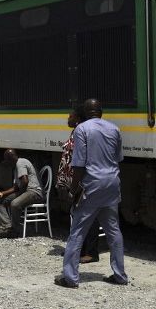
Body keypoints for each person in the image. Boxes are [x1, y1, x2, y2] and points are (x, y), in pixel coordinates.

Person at [55, 98, 128, 289]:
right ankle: (120, 275)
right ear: (101, 112)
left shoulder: (82, 129)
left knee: (77, 231)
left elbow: (79, 164)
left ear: (86, 113)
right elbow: (118, 158)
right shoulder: (114, 129)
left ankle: (70, 278)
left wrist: (73, 190)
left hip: (91, 185)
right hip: (112, 183)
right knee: (113, 231)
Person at [55, 106, 101, 264]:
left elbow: (79, 160)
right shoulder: (76, 131)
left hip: (82, 181)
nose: (68, 119)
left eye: (70, 116)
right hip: (75, 180)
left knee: (88, 216)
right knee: (77, 215)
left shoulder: (81, 132)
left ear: (77, 118)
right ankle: (79, 249)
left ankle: (91, 251)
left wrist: (75, 186)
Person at [0, 148, 44, 239]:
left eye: (7, 159)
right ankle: (8, 227)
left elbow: (25, 181)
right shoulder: (15, 168)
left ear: (11, 158)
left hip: (34, 191)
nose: (6, 162)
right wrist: (1, 193)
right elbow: (15, 187)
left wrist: (17, 195)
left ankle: (14, 230)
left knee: (15, 203)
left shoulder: (20, 162)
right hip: (25, 191)